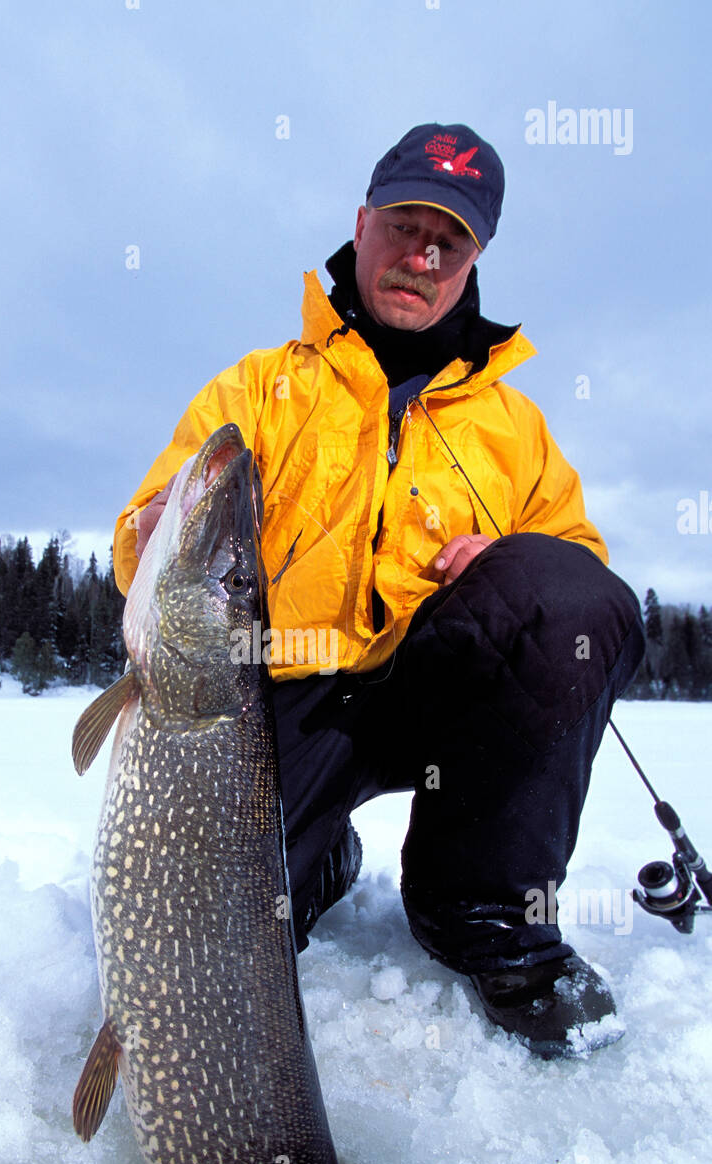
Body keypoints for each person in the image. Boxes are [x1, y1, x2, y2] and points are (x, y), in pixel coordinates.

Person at [112, 123, 645, 1060]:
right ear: (361, 226)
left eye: (451, 239)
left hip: (440, 688)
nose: (423, 254)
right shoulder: (259, 387)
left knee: (565, 594)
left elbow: (580, 574)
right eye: (405, 224)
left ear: (474, 256)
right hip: (285, 695)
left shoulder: (514, 425)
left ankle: (478, 910)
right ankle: (314, 860)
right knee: (220, 932)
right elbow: (146, 544)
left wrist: (508, 555)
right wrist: (151, 533)